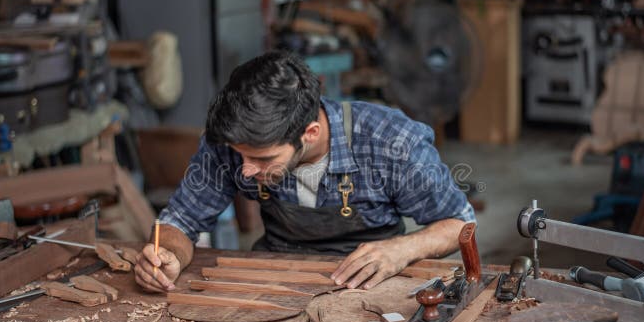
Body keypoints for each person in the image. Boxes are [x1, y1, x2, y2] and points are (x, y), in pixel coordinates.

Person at [134, 50, 475, 293]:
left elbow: (460, 223)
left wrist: (400, 250)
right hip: (275, 274)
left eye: (264, 160)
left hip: (369, 282)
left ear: (309, 134)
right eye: (241, 157)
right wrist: (168, 256)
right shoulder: (235, 143)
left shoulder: (391, 141)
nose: (247, 171)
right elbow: (180, 220)